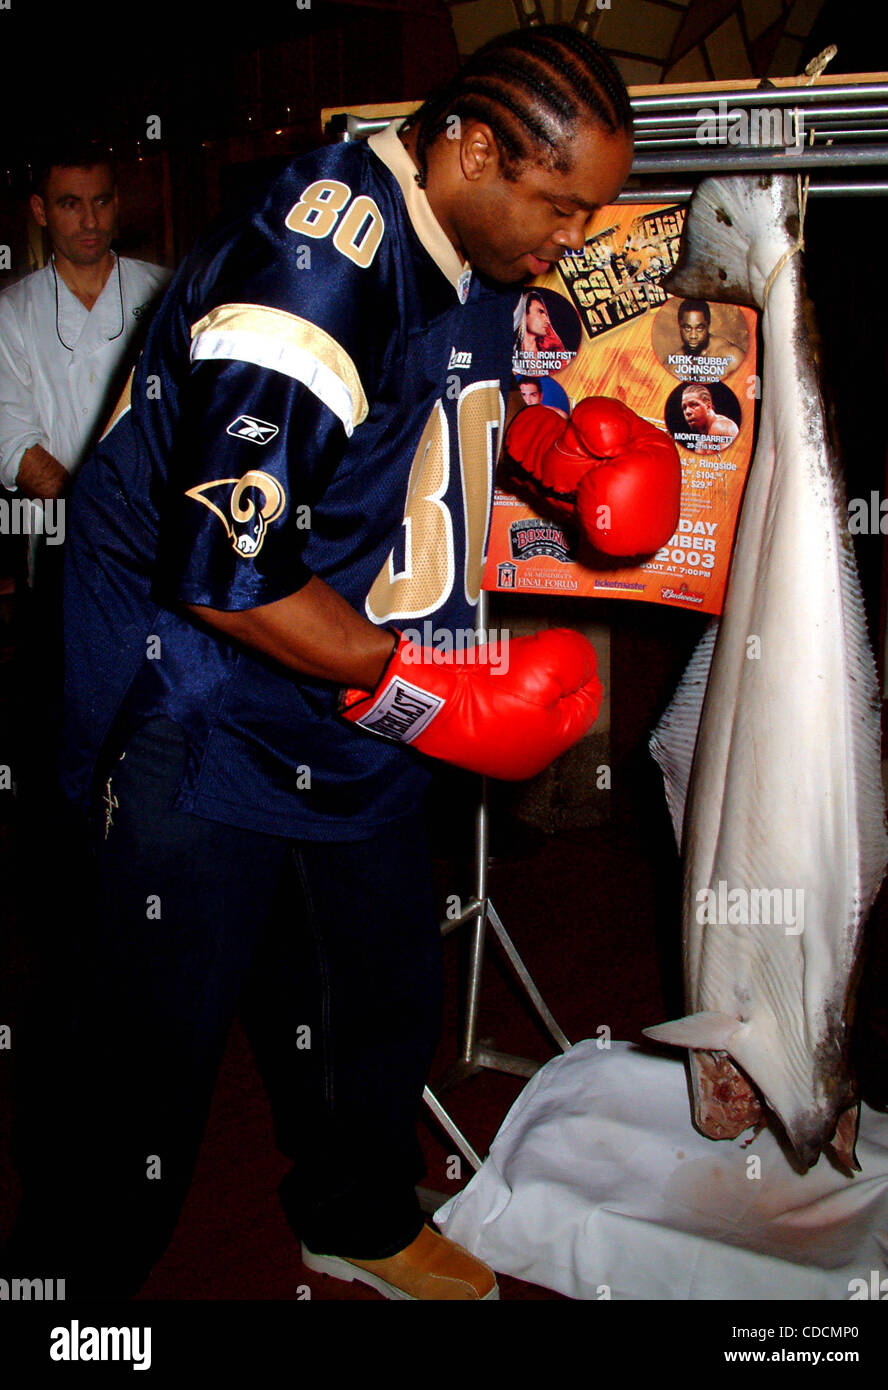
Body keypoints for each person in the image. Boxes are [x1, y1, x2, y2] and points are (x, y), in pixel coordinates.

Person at [2, 25, 636, 1302]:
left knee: (376, 976)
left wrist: (569, 455)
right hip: (197, 687)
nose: (574, 235)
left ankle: (354, 1210)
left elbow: (467, 380)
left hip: (345, 663)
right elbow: (225, 571)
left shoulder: (476, 238)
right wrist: (442, 695)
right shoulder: (315, 276)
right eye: (562, 204)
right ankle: (67, 1292)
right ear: (472, 150)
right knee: (146, 1046)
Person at [0, 141, 170, 580]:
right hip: (65, 541)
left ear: (117, 202)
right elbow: (15, 445)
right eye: (71, 204)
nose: (91, 221)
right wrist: (101, 515)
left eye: (101, 202)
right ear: (40, 211)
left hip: (161, 532)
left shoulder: (165, 293)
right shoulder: (12, 312)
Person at [676, 299, 745, 375]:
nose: (693, 336)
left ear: (708, 325)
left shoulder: (733, 358)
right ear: (679, 326)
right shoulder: (672, 365)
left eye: (699, 328)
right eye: (687, 328)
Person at [515, 290, 566, 371]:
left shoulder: (552, 358)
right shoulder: (507, 351)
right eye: (540, 312)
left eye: (546, 315)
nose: (547, 321)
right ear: (524, 313)